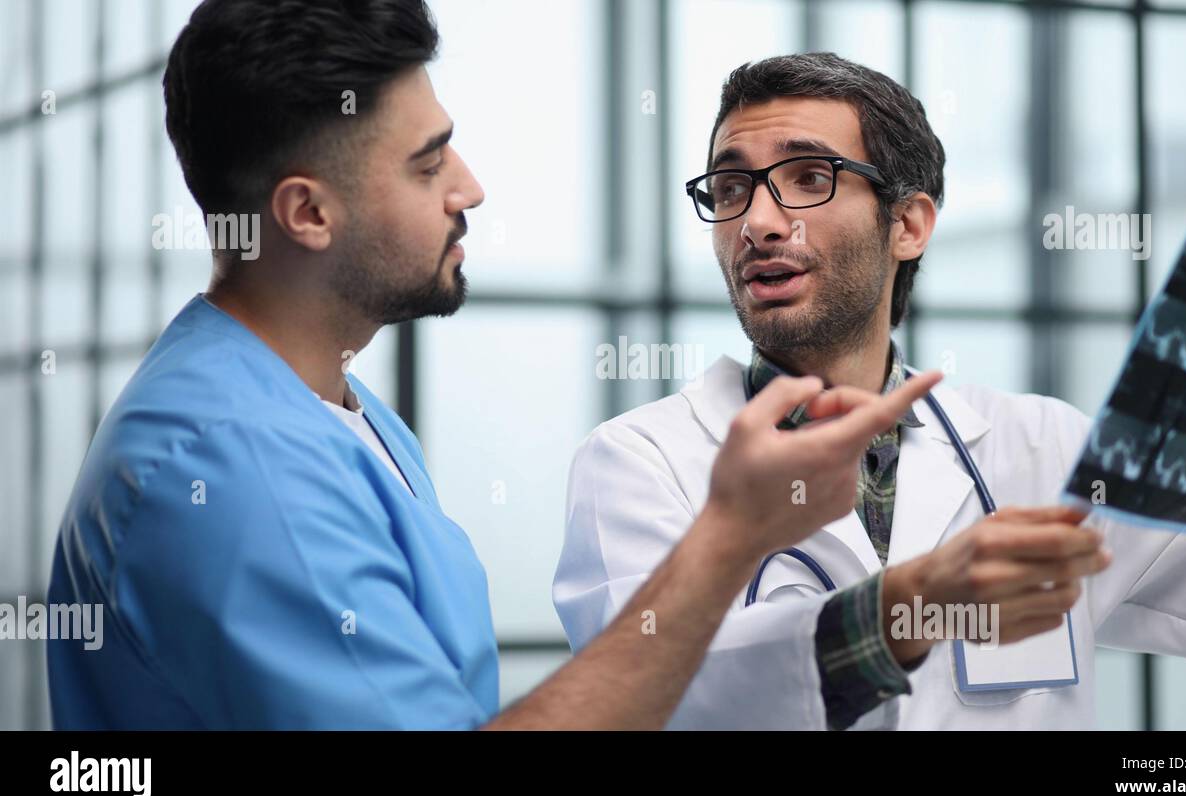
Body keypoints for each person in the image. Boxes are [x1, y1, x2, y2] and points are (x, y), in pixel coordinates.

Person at [45, 0, 941, 730]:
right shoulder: (230, 463)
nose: (469, 187)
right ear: (307, 215)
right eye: (428, 161)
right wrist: (726, 539)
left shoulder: (340, 413)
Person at [553, 52, 1186, 730]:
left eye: (809, 178)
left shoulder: (1041, 449)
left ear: (908, 224)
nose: (758, 223)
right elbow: (652, 700)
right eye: (730, 186)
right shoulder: (636, 463)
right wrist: (911, 605)